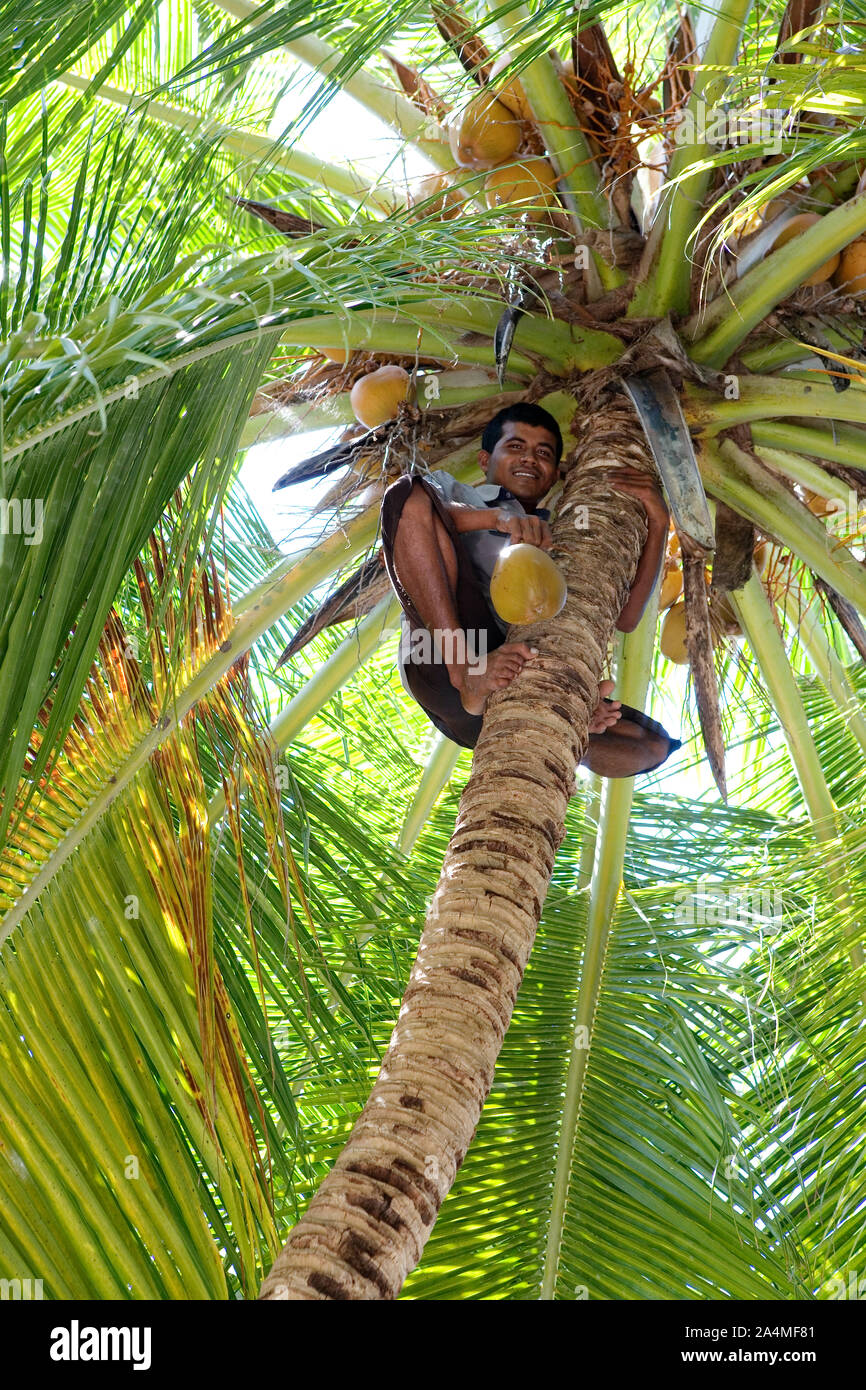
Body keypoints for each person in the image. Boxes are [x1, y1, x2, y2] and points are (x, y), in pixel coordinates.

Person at [381, 402, 681, 776]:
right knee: (407, 492)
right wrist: (497, 519)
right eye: (516, 446)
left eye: (543, 453)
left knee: (649, 744)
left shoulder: (564, 533)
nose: (530, 459)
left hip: (516, 673)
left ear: (556, 474)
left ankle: (566, 716)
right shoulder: (455, 493)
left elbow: (627, 616)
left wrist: (658, 518)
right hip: (444, 658)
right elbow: (410, 517)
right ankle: (469, 675)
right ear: (484, 459)